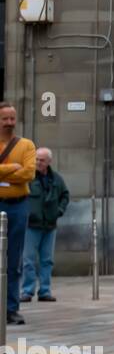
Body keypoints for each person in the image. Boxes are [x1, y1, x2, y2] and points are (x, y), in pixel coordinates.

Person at [0, 103, 36, 325]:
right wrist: (13, 167)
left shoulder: (27, 145)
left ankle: (11, 308)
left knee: (14, 259)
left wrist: (5, 172)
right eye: (5, 119)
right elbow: (20, 171)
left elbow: (29, 173)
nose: (9, 123)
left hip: (18, 206)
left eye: (12, 118)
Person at [20, 147, 69, 303]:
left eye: (41, 160)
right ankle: (27, 291)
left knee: (47, 260)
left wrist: (59, 211)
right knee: (28, 260)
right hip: (31, 225)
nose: (38, 162)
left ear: (49, 162)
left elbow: (65, 195)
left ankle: (45, 291)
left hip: (49, 225)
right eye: (36, 159)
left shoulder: (56, 179)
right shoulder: (28, 177)